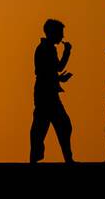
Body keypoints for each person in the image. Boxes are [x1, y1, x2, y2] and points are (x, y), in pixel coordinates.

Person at [30, 18, 74, 163]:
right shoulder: (46, 49)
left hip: (46, 92)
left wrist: (59, 79)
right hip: (47, 94)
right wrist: (67, 52)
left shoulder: (46, 48)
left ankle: (35, 159)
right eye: (60, 33)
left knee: (43, 128)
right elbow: (56, 68)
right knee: (60, 125)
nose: (62, 36)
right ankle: (67, 159)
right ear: (52, 33)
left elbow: (49, 72)